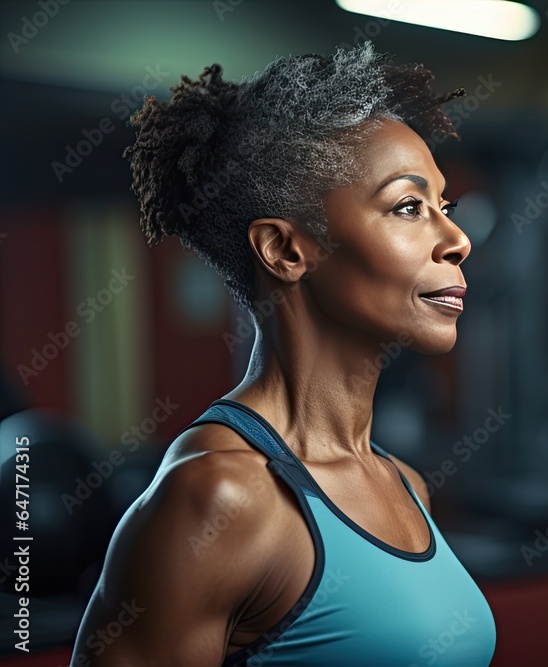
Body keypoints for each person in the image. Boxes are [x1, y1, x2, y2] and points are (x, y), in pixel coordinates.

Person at [70, 42, 496, 666]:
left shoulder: (405, 486)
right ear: (285, 251)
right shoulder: (217, 497)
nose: (457, 239)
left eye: (444, 207)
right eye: (409, 207)